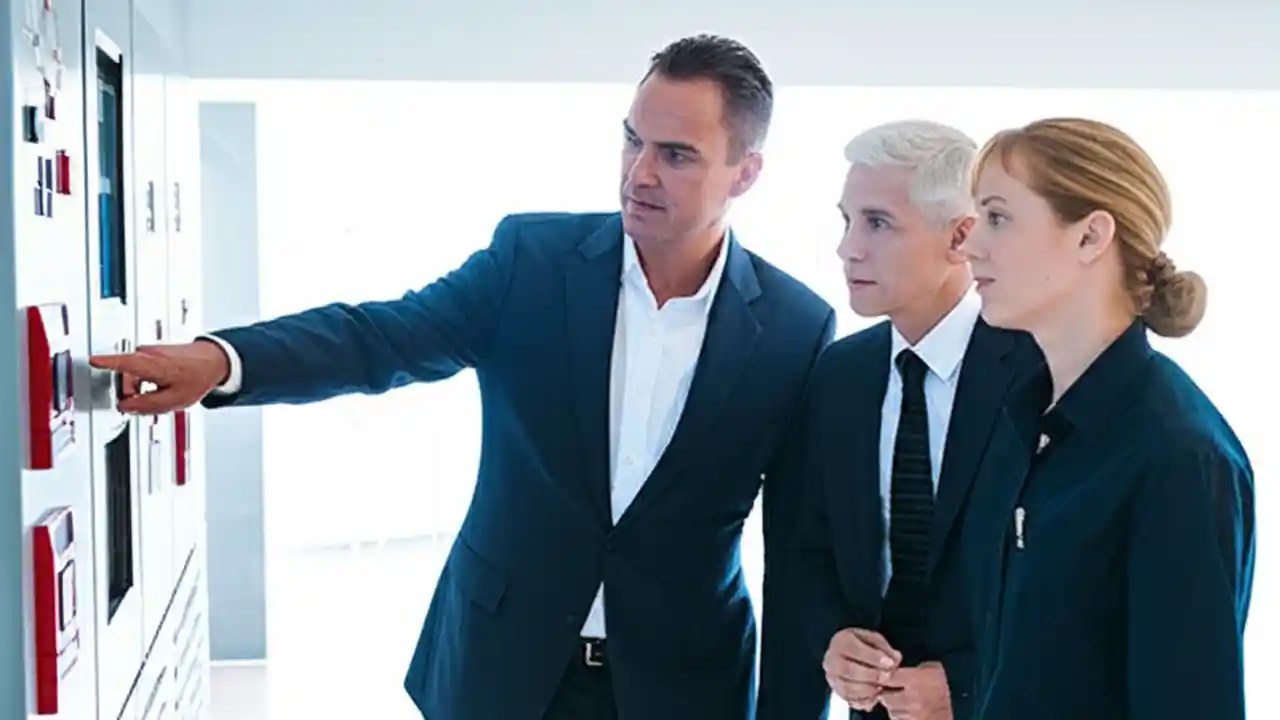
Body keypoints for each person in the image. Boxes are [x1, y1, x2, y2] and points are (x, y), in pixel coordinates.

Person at [90, 34, 836, 720]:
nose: (639, 173)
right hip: (500, 665)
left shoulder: (797, 328)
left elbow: (802, 552)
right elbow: (380, 337)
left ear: (746, 172)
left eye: (676, 155)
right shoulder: (533, 263)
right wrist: (226, 361)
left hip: (683, 686)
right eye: (632, 140)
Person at [959, 117, 1256, 718]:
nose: (969, 245)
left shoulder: (1178, 456)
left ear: (1092, 237)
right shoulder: (1022, 422)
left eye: (998, 217)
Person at [757, 120, 1041, 720]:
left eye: (877, 223)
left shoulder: (1037, 372)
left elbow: (1062, 582)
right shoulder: (840, 376)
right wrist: (832, 639)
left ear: (960, 236)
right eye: (847, 220)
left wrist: (966, 683)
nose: (848, 248)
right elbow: (802, 553)